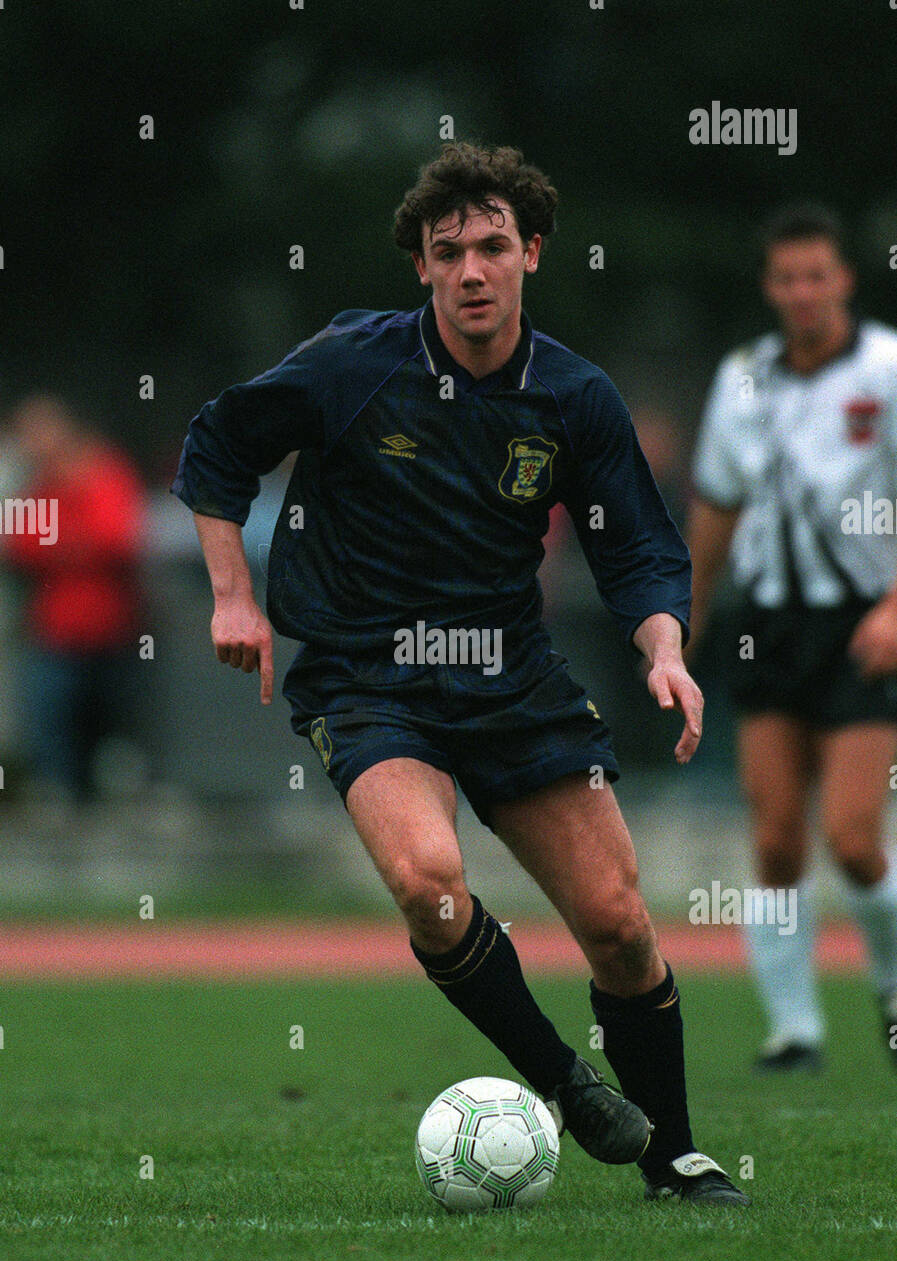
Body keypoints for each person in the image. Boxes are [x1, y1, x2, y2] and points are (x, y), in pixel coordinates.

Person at [173, 141, 748, 1204]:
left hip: (512, 678)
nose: (474, 269)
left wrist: (665, 648)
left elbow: (636, 549)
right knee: (430, 888)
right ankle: (567, 1087)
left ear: (531, 253)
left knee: (621, 925)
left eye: (493, 246)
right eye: (450, 252)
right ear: (423, 270)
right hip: (365, 674)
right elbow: (216, 446)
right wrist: (231, 594)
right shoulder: (353, 364)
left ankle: (675, 1156)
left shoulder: (576, 397)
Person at [686, 204, 897, 1072]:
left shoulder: (885, 369)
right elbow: (715, 502)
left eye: (818, 274)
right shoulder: (742, 378)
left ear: (842, 278)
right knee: (774, 838)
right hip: (768, 627)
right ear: (770, 288)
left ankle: (889, 987)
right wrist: (684, 619)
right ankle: (793, 1030)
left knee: (851, 837)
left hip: (864, 624)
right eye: (787, 278)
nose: (803, 292)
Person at [3, 395, 146, 805]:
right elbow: (19, 546)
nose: (30, 441)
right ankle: (58, 808)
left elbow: (117, 539)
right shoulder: (35, 483)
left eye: (38, 430)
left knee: (114, 733)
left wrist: (59, 545)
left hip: (112, 629)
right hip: (53, 632)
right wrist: (73, 546)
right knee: (50, 726)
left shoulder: (106, 472)